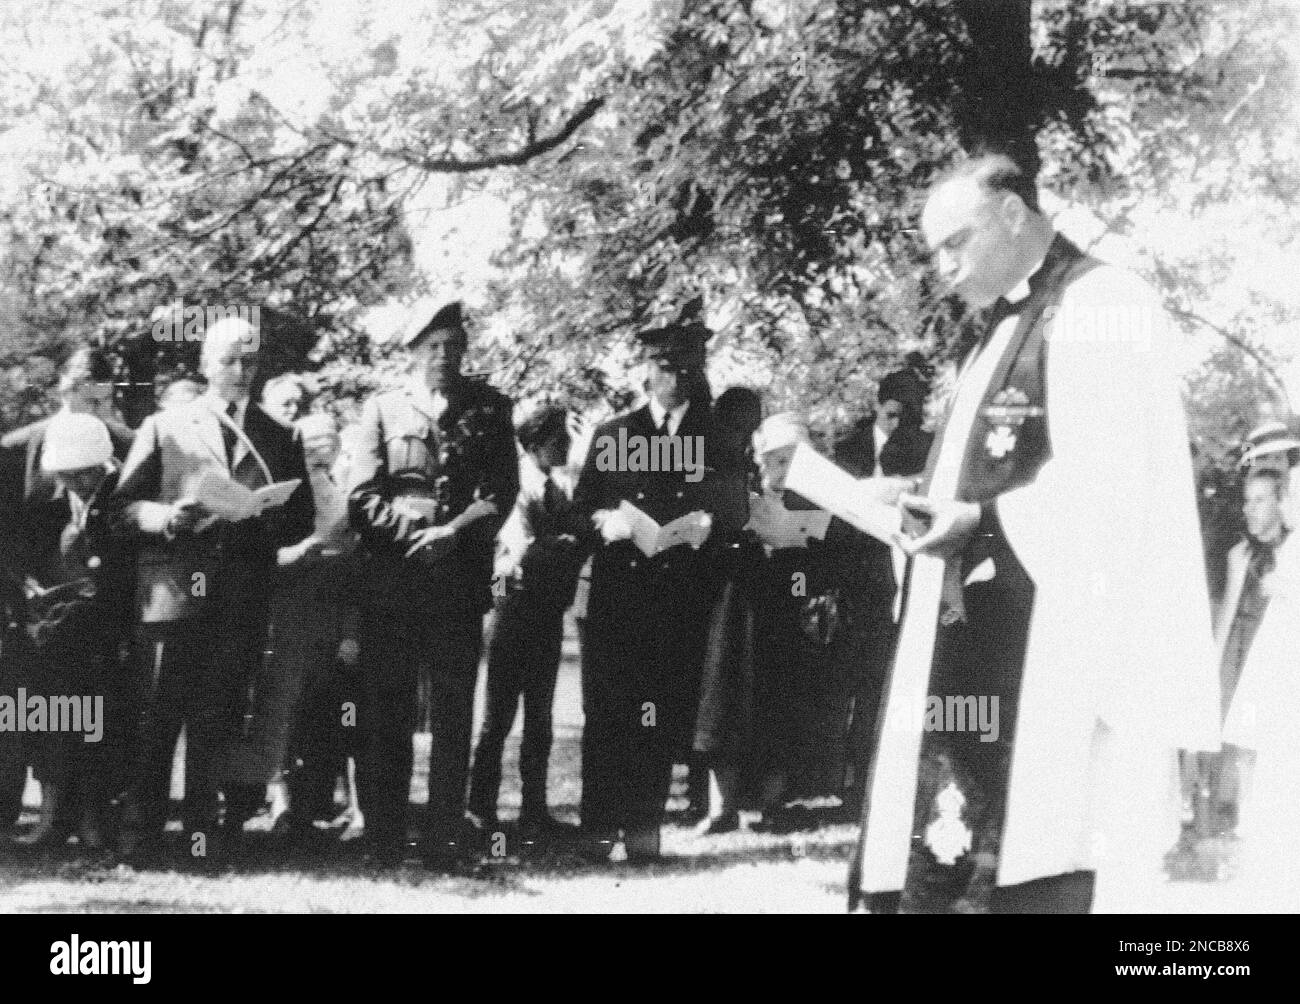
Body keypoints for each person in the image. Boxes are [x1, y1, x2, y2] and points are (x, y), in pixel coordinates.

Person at [850, 153, 1218, 914]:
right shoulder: (995, 334)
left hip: (1052, 656)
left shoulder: (1103, 302)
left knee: (1037, 860)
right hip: (975, 634)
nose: (944, 266)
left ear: (1014, 213)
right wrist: (911, 501)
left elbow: (1114, 489)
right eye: (936, 252)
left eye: (957, 241)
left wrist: (981, 521)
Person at [111, 317, 315, 860]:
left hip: (239, 599)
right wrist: (165, 517)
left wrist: (254, 514)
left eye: (250, 361)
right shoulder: (166, 425)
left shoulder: (279, 434)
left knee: (218, 722)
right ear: (206, 364)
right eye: (230, 359)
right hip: (173, 595)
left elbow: (299, 522)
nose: (241, 371)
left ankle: (202, 839)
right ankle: (140, 840)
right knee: (158, 719)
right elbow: (121, 509)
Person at [347, 301, 518, 868]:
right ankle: (385, 837)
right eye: (433, 346)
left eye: (453, 345)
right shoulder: (381, 409)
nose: (443, 356)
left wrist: (454, 533)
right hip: (393, 582)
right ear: (414, 350)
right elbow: (362, 496)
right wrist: (413, 532)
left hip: (458, 580)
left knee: (452, 713)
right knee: (386, 711)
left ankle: (446, 837)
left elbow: (501, 492)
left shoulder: (491, 410)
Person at [573, 299, 723, 860]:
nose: (675, 378)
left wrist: (710, 526)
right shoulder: (617, 432)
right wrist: (604, 520)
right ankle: (598, 827)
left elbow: (733, 509)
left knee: (657, 711)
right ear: (648, 370)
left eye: (685, 368)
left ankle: (642, 828)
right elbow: (581, 506)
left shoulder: (714, 437)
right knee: (607, 711)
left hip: (679, 596)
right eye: (665, 367)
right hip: (619, 594)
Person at [0, 348, 134, 843]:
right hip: (30, 610)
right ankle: (38, 814)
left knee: (101, 716)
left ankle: (96, 816)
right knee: (31, 715)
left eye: (104, 400)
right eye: (85, 398)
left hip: (103, 614)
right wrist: (22, 592)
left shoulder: (128, 445)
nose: (93, 410)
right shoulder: (16, 449)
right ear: (64, 390)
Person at [468, 404, 584, 837]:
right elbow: (522, 551)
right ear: (535, 444)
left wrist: (562, 543)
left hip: (545, 612)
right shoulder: (516, 486)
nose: (566, 447)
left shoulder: (557, 487)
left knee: (540, 715)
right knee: (498, 716)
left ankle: (534, 809)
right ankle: (481, 808)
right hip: (512, 610)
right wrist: (564, 544)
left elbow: (567, 542)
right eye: (559, 440)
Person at [690, 386, 762, 834]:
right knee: (717, 693)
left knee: (736, 693)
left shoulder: (744, 466)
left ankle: (735, 801)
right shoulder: (709, 468)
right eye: (742, 426)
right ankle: (716, 803)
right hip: (718, 593)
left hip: (746, 590)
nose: (746, 436)